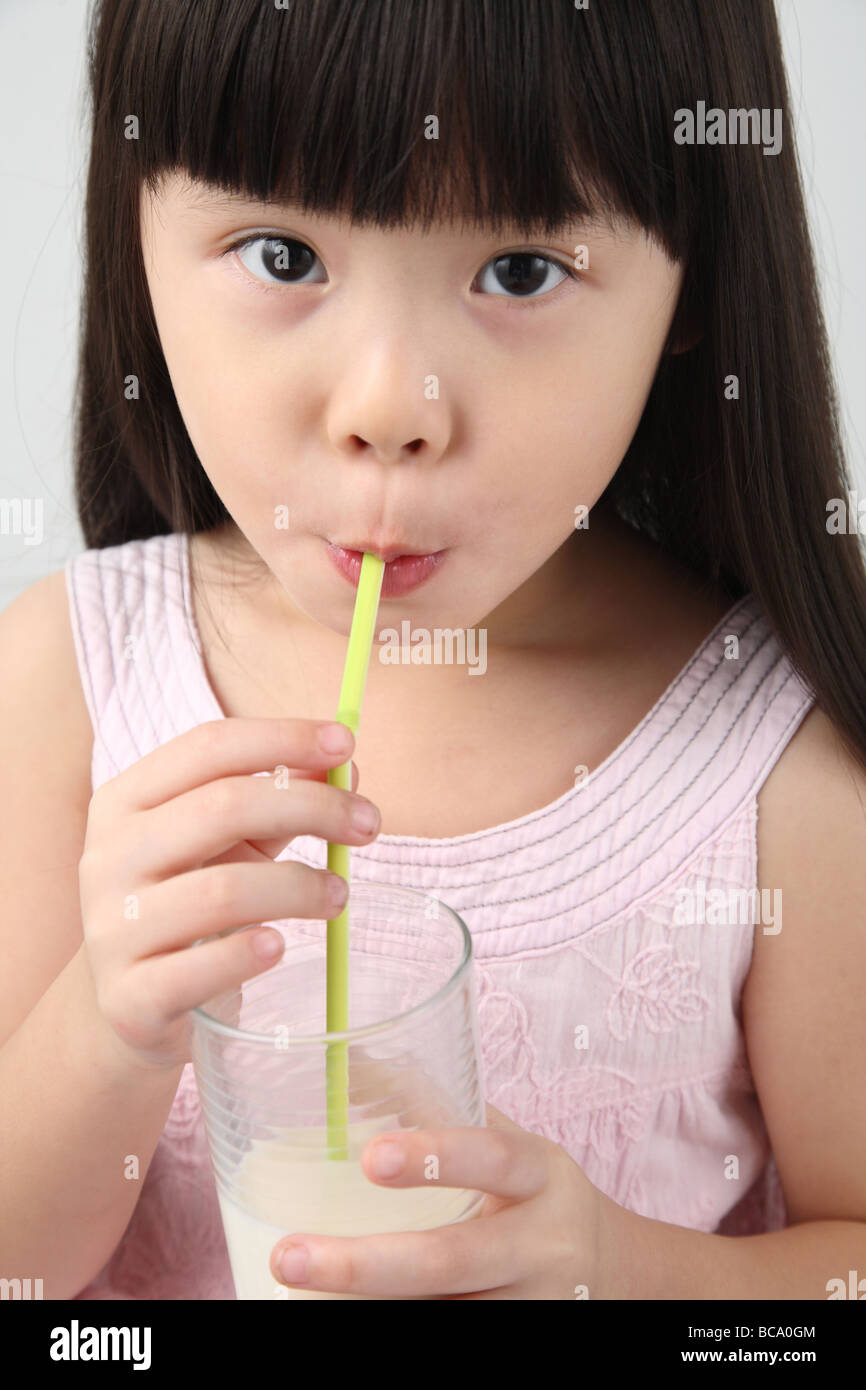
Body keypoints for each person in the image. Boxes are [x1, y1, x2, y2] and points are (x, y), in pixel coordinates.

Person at [1, 0, 864, 1301]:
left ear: (695, 276)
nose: (385, 410)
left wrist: (614, 1267)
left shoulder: (776, 762)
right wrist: (107, 1027)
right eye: (282, 255)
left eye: (519, 270)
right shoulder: (68, 681)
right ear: (134, 223)